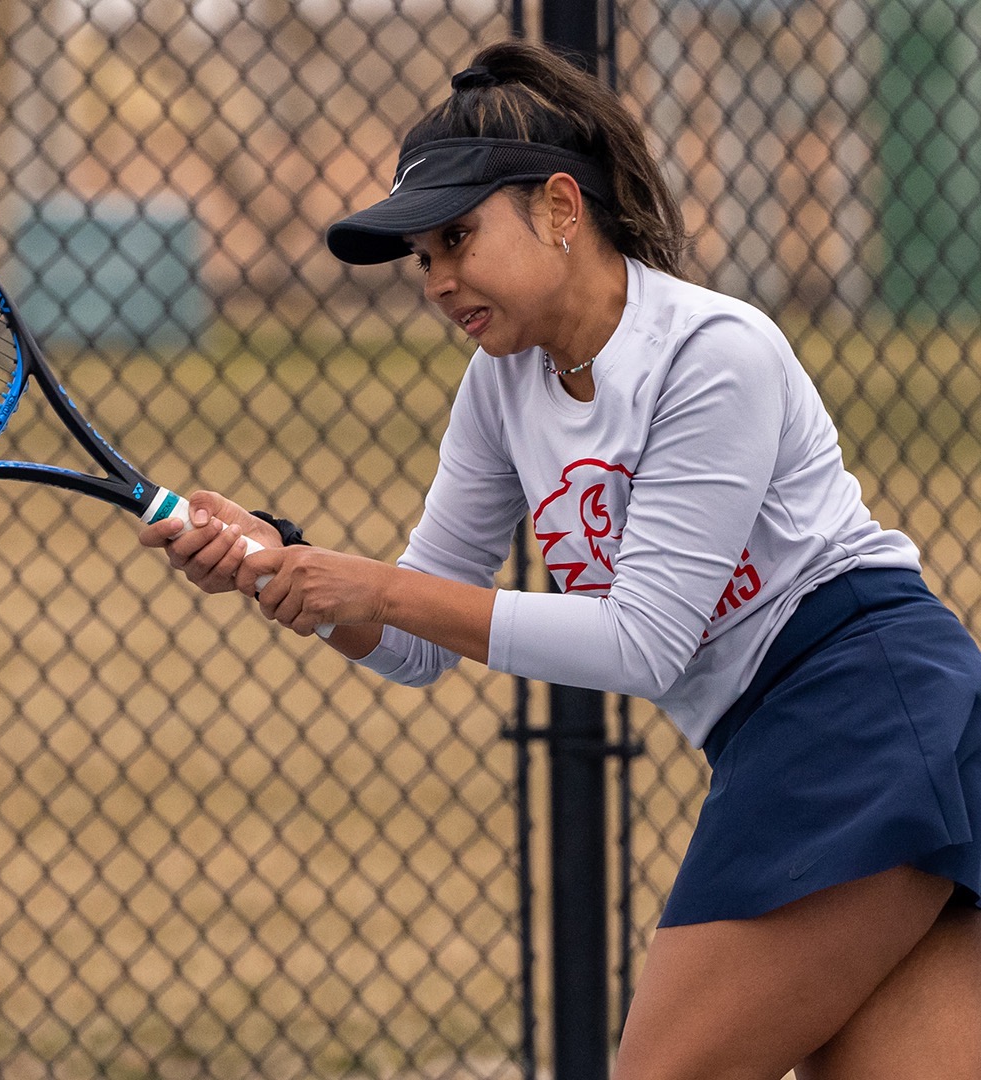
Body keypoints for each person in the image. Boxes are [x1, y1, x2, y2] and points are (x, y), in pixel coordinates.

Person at [141, 38, 981, 1080]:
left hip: (865, 710)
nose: (438, 280)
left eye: (458, 238)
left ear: (560, 209)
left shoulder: (712, 353)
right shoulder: (500, 386)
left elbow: (641, 643)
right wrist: (289, 570)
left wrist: (375, 586)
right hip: (787, 739)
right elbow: (417, 644)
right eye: (424, 257)